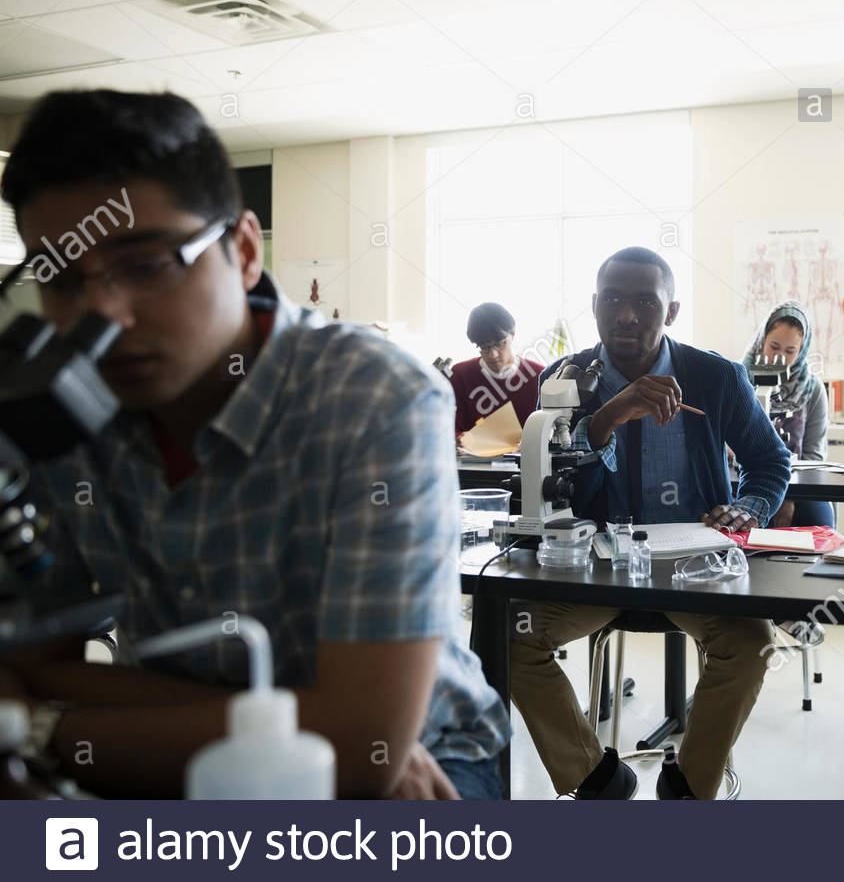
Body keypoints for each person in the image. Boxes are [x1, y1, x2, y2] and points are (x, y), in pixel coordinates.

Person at [0, 90, 509, 799]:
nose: (103, 315)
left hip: (434, 754)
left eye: (145, 264)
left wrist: (41, 728)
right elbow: (22, 664)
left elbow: (361, 756)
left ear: (241, 250)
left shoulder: (371, 397)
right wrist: (313, 729)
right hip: (197, 749)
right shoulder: (54, 406)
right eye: (58, 275)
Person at [511, 246, 791, 800]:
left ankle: (688, 784)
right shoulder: (564, 380)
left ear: (673, 310)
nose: (627, 315)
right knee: (504, 635)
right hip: (596, 571)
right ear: (593, 305)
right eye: (612, 299)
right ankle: (596, 780)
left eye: (645, 301)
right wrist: (608, 416)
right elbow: (548, 484)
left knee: (752, 642)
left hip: (696, 569)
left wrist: (749, 508)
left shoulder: (715, 379)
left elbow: (771, 462)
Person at [741, 300, 833, 528]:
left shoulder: (813, 390)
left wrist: (787, 495)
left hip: (797, 486)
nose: (779, 358)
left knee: (817, 521)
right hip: (745, 481)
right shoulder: (738, 379)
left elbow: (813, 456)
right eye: (773, 347)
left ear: (802, 351)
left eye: (790, 351)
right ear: (762, 340)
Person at [449, 302, 543, 440]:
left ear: (513, 334)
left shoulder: (538, 375)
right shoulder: (460, 374)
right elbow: (452, 427)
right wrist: (460, 439)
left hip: (526, 459)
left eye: (500, 343)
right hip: (474, 459)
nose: (493, 354)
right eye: (484, 347)